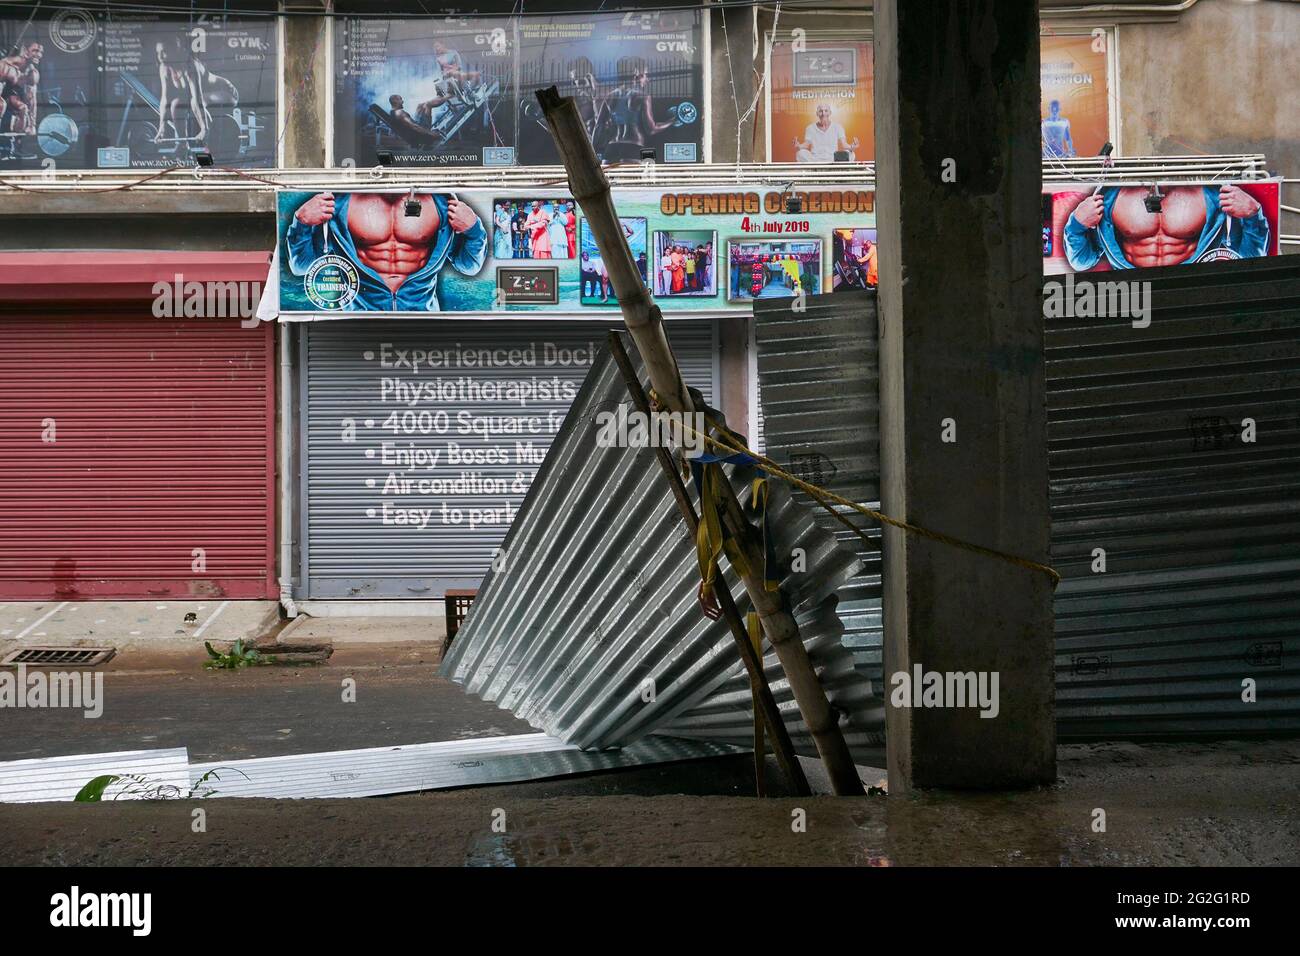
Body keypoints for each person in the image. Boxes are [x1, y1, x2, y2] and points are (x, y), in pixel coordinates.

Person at [287, 191, 486, 311]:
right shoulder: (338, 204)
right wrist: (301, 221)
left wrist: (474, 228)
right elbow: (301, 266)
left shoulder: (441, 203)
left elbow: (469, 265)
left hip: (422, 317)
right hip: (359, 319)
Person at [1064, 184, 1269, 270]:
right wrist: (1076, 224)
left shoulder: (1213, 196)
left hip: (1189, 292)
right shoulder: (1109, 198)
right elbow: (1081, 262)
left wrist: (1253, 214)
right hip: (1133, 295)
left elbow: (1252, 259)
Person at [0, 41, 42, 136]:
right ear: (25, 52)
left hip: (10, 94)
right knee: (1, 105)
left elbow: (32, 100)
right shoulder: (5, 66)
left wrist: (32, 125)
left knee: (24, 109)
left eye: (40, 52)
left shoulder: (32, 74)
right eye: (35, 51)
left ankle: (14, 142)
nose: (38, 54)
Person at [794, 103, 858, 163]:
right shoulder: (810, 128)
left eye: (826, 111)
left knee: (851, 154)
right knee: (800, 153)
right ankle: (818, 166)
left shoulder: (838, 127)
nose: (823, 113)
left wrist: (852, 146)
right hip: (815, 159)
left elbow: (844, 145)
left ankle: (830, 166)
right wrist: (799, 146)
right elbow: (806, 144)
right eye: (820, 111)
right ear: (817, 113)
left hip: (833, 158)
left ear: (830, 113)